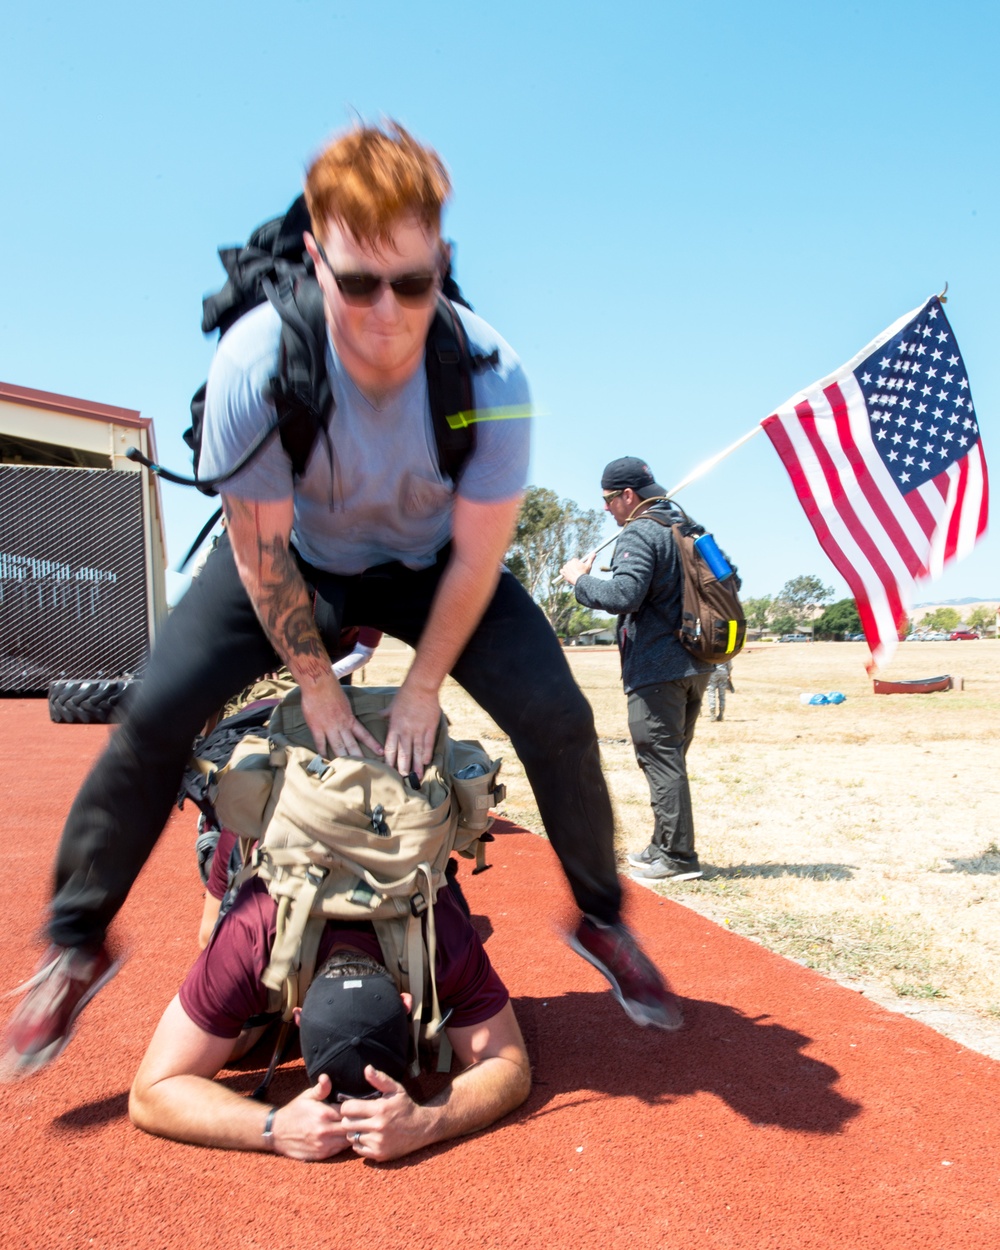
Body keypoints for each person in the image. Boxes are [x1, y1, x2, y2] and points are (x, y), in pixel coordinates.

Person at [2, 121, 681, 1081]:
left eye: (412, 283)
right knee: (154, 713)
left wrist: (421, 687)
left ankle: (604, 918)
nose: (386, 313)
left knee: (559, 716)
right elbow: (260, 553)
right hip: (296, 565)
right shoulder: (256, 363)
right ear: (315, 260)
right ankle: (76, 939)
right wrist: (317, 687)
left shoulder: (491, 377)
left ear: (442, 264)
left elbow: (480, 563)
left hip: (434, 565)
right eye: (358, 283)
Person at [128, 875, 530, 1161]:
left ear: (408, 1003)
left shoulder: (443, 936)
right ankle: (215, 845)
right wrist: (273, 1128)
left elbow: (511, 1065)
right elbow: (149, 1093)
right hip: (268, 871)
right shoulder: (250, 939)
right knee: (234, 1046)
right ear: (296, 1015)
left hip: (413, 880)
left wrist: (428, 1122)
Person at [561, 457, 712, 883]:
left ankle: (678, 858)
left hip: (658, 668)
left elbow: (625, 593)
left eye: (608, 500)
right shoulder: (685, 526)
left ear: (628, 496)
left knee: (660, 760)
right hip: (696, 663)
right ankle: (663, 844)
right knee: (670, 759)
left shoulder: (641, 532)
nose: (606, 509)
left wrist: (579, 581)